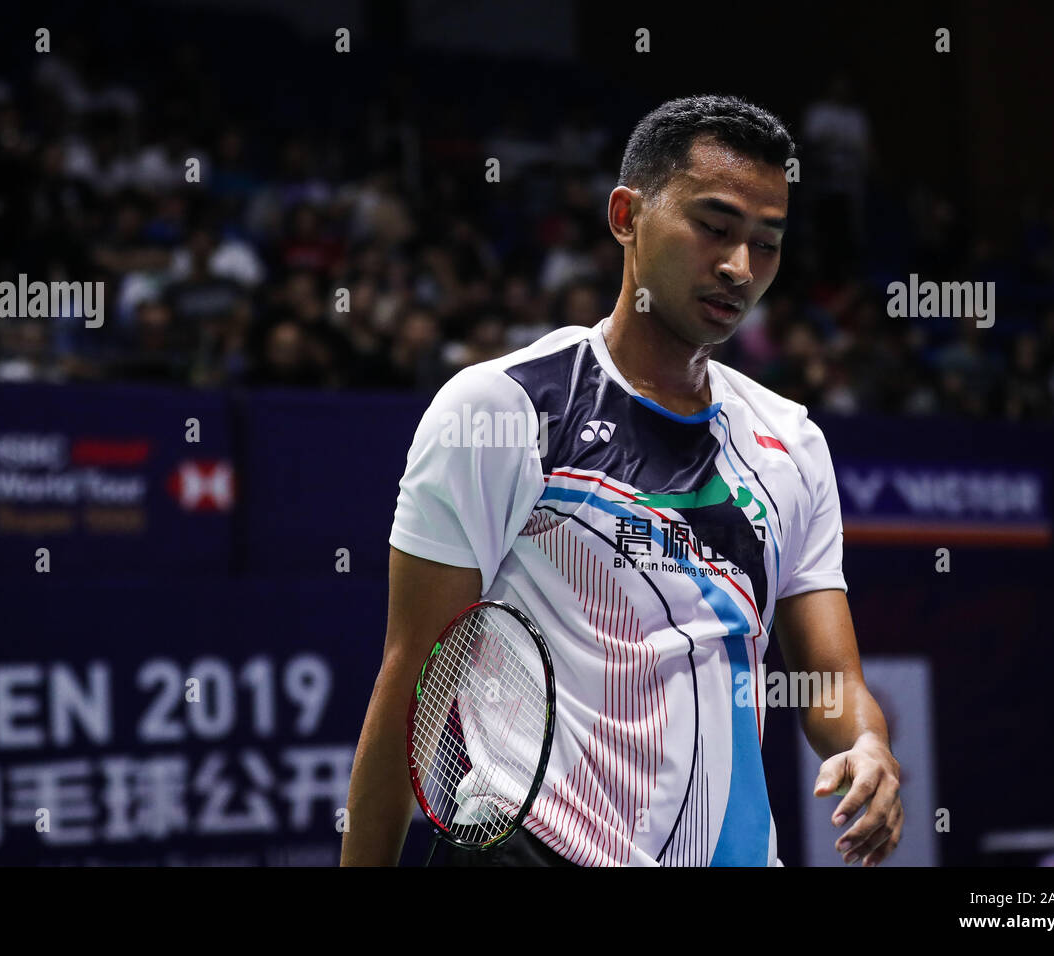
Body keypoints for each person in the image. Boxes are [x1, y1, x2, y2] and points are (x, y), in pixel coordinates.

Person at [341, 94, 902, 867]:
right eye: (713, 227)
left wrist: (868, 745)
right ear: (626, 215)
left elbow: (827, 681)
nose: (739, 267)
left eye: (766, 243)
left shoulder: (791, 444)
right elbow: (412, 683)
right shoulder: (506, 410)